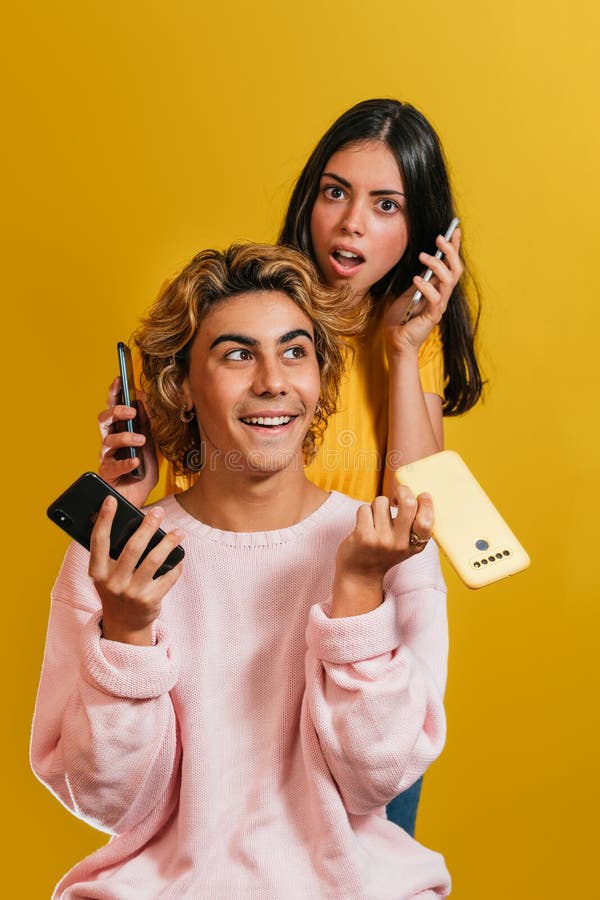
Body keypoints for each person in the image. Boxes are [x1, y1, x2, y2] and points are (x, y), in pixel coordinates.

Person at [102, 99, 482, 835]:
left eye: (385, 204)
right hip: (240, 629)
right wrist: (141, 473)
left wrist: (403, 352)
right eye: (335, 192)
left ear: (421, 229)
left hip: (360, 642)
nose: (350, 223)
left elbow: (417, 518)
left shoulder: (409, 341)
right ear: (309, 197)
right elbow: (203, 479)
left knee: (365, 850)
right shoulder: (249, 312)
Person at [31, 244, 451, 899]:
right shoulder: (119, 557)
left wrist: (360, 597)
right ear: (182, 386)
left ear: (319, 374)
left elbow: (380, 778)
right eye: (235, 354)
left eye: (293, 351)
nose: (272, 382)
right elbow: (110, 801)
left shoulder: (382, 545)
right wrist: (127, 632)